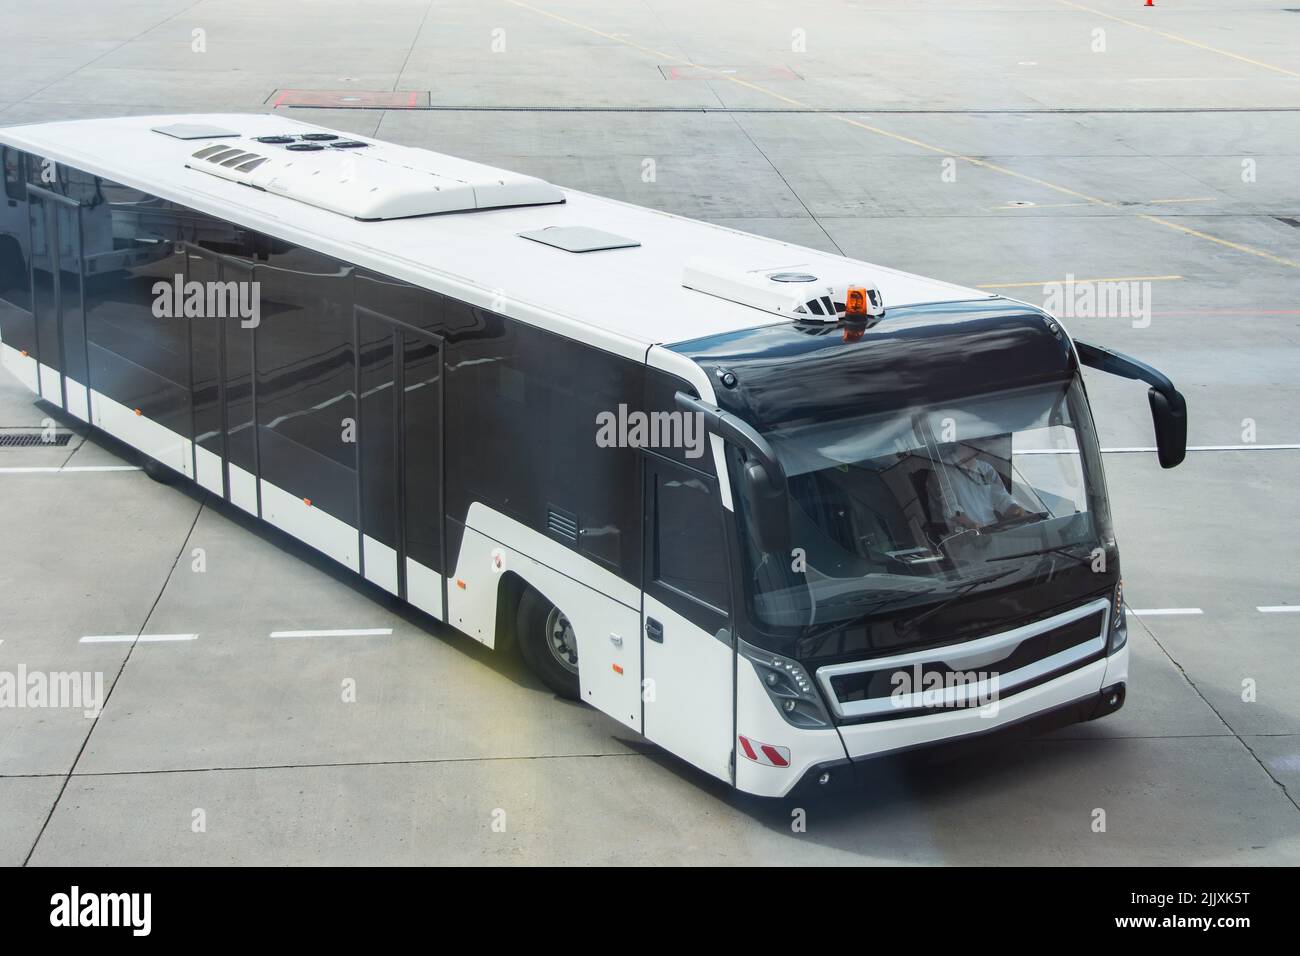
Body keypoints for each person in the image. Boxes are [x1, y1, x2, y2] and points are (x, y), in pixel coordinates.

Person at [928, 440, 1027, 532]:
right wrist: (969, 524)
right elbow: (951, 508)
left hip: (992, 531)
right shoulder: (941, 469)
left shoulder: (985, 468)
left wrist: (1015, 508)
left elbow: (1001, 497)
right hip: (963, 536)